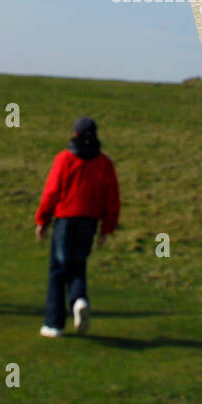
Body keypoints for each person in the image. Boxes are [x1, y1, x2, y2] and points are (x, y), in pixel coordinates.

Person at [34, 116, 120, 337]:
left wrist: (42, 220)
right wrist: (107, 227)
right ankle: (79, 299)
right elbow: (112, 198)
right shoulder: (105, 163)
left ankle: (54, 324)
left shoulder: (64, 159)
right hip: (89, 221)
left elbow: (51, 192)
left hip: (65, 219)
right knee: (78, 264)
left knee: (58, 269)